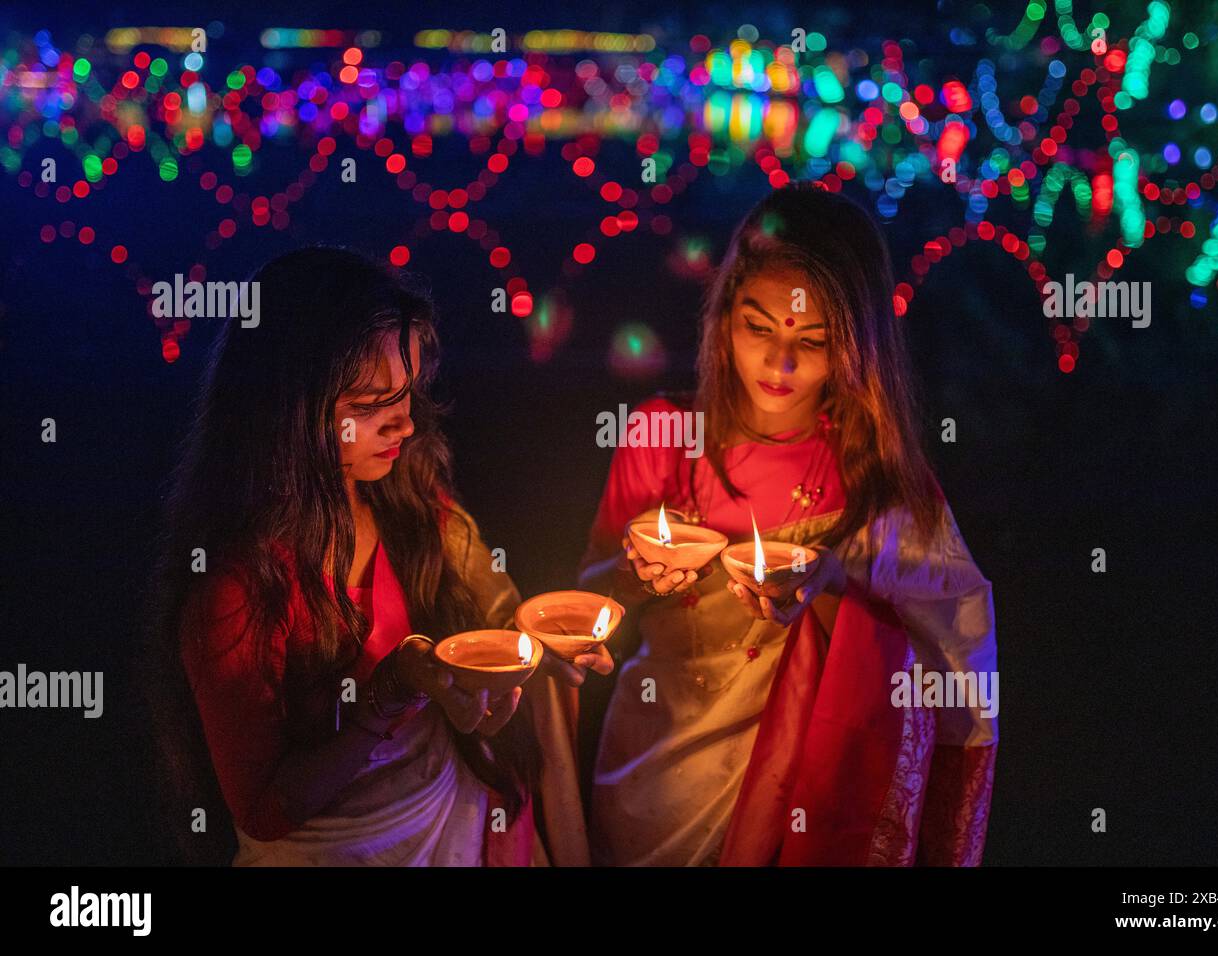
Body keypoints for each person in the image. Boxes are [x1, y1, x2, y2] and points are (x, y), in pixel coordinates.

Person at [578, 182, 998, 866]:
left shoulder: (873, 480)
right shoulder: (662, 435)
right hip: (651, 766)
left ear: (858, 345)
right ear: (723, 317)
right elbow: (595, 594)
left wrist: (833, 587)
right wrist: (637, 574)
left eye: (814, 340)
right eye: (758, 327)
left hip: (795, 792)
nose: (779, 362)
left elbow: (955, 642)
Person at [148, 247, 608, 866]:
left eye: (409, 394)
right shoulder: (237, 591)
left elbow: (493, 638)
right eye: (369, 408)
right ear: (287, 413)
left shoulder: (411, 508)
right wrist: (384, 699)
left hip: (462, 820)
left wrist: (531, 656)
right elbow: (264, 810)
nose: (407, 426)